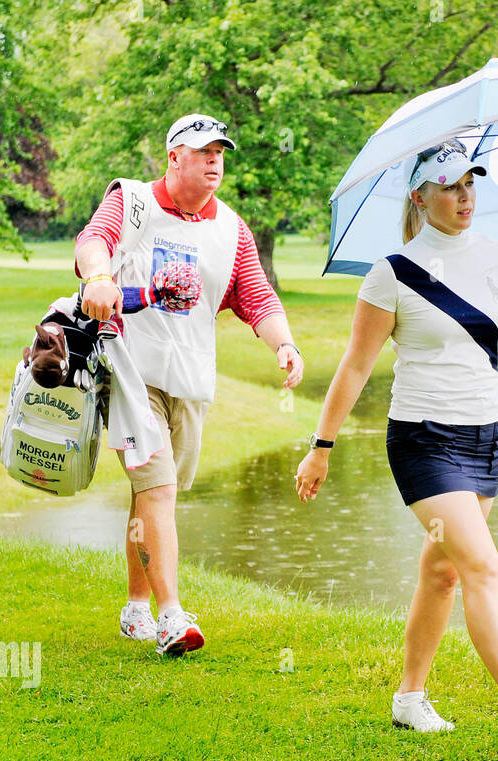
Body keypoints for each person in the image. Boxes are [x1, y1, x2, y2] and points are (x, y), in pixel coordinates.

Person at [294, 140, 498, 753]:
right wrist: (322, 446)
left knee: (445, 571)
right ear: (420, 198)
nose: (464, 196)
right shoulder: (391, 272)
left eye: (470, 184)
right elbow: (354, 368)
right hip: (424, 439)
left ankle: (408, 697)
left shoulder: (497, 257)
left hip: (486, 434)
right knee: (482, 566)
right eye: (449, 187)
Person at [75, 113, 305, 656]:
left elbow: (256, 295)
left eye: (220, 153)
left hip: (191, 379)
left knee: (153, 496)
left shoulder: (231, 229)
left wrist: (285, 344)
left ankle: (135, 608)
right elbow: (94, 240)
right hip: (132, 372)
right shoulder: (131, 200)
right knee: (158, 489)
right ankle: (171, 615)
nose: (214, 162)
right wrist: (100, 277)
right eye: (203, 152)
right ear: (174, 156)